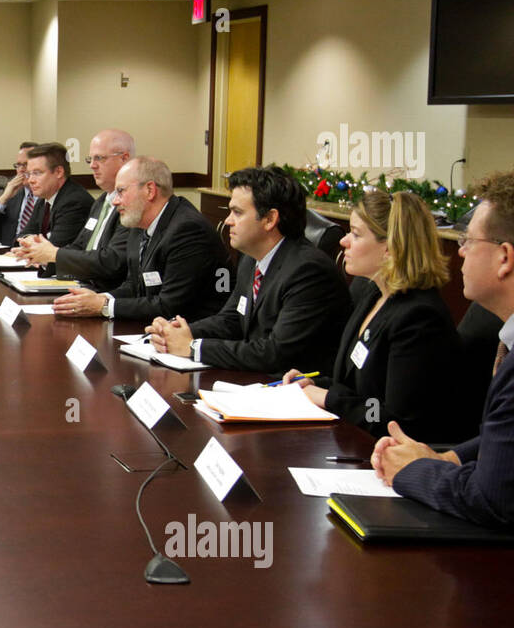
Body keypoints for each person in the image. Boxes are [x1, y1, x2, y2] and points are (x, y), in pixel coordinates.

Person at [373, 168, 514, 556]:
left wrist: (410, 471)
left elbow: (495, 502)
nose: (460, 250)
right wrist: (451, 456)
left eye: (467, 240)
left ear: (505, 258)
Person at [281, 191, 468, 441]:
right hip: (352, 439)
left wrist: (327, 397)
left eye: (356, 234)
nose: (344, 241)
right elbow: (354, 383)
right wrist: (315, 383)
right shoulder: (371, 292)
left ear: (391, 248)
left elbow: (393, 421)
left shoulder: (419, 318)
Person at [148, 166, 351, 374]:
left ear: (270, 219)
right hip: (256, 378)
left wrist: (193, 347)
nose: (228, 221)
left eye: (237, 212)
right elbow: (232, 319)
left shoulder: (308, 271)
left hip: (295, 389)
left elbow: (275, 353)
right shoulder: (250, 258)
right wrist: (178, 332)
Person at [52, 157, 228, 321]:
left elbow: (169, 305)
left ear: (149, 190)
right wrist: (100, 298)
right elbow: (134, 284)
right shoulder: (138, 223)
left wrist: (104, 306)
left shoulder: (187, 230)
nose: (115, 201)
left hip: (191, 330)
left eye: (121, 191)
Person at [14, 128, 134, 288]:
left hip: (106, 291)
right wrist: (43, 257)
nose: (92, 165)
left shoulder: (131, 203)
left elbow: (113, 261)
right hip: (83, 284)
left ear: (124, 158)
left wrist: (53, 254)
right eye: (90, 159)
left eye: (99, 158)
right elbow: (79, 246)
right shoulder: (101, 202)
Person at [9, 142, 92, 246]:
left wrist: (29, 242)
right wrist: (27, 239)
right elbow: (22, 236)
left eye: (37, 173)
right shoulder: (44, 199)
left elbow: (54, 249)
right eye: (29, 174)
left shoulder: (75, 202)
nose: (30, 180)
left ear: (59, 172)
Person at [0, 142, 39, 245]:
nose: (21, 170)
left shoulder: (47, 195)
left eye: (26, 164)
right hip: (6, 253)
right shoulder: (12, 191)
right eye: (18, 165)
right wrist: (3, 198)